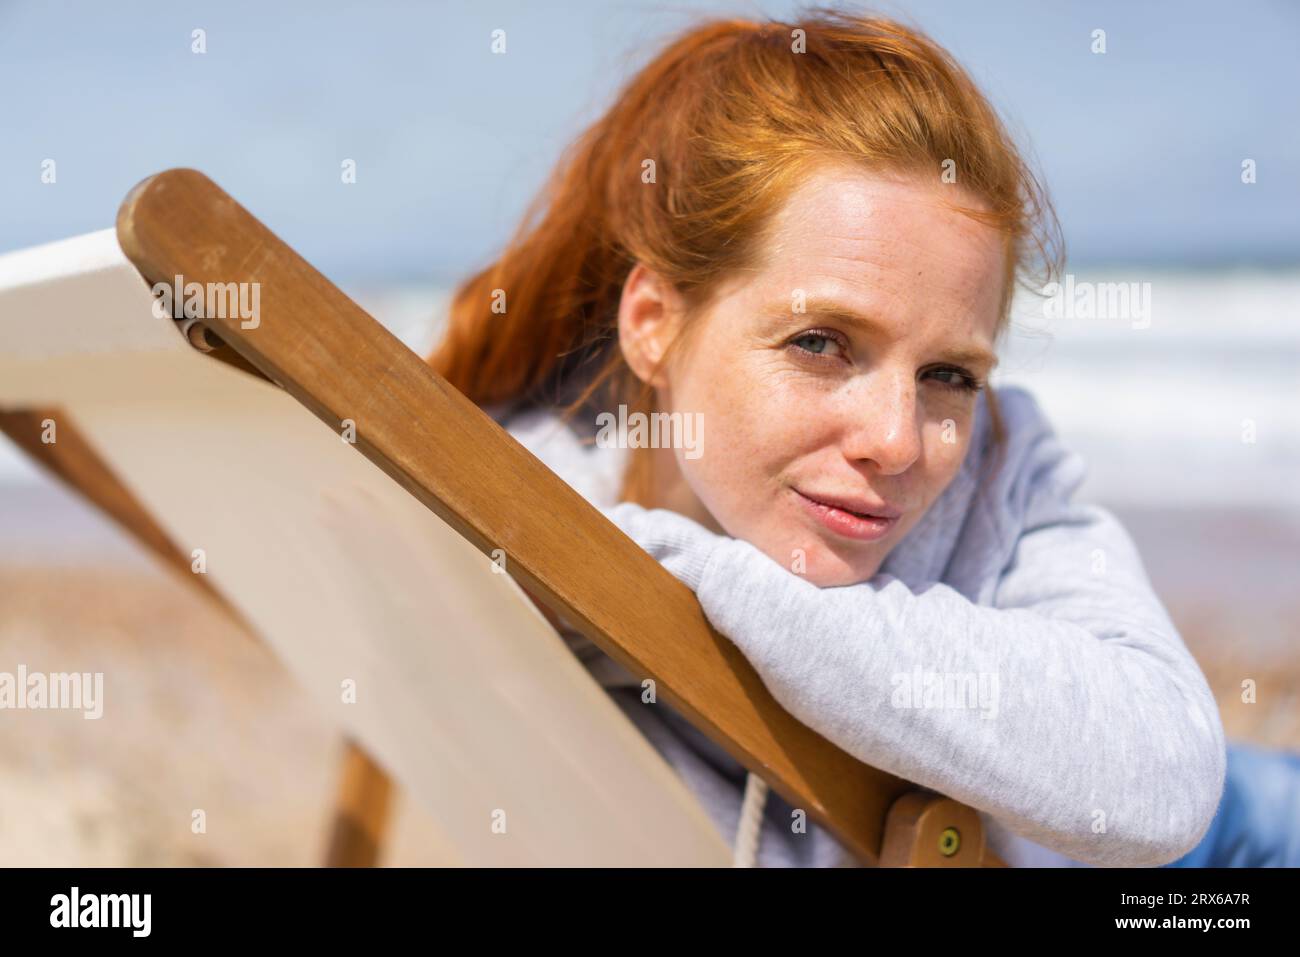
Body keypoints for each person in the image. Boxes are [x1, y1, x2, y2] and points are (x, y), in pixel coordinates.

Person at [426, 9, 1271, 867]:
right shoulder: (504, 527)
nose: (898, 441)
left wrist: (675, 569)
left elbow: (1164, 780)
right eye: (820, 343)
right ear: (652, 323)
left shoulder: (1002, 469)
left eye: (951, 375)